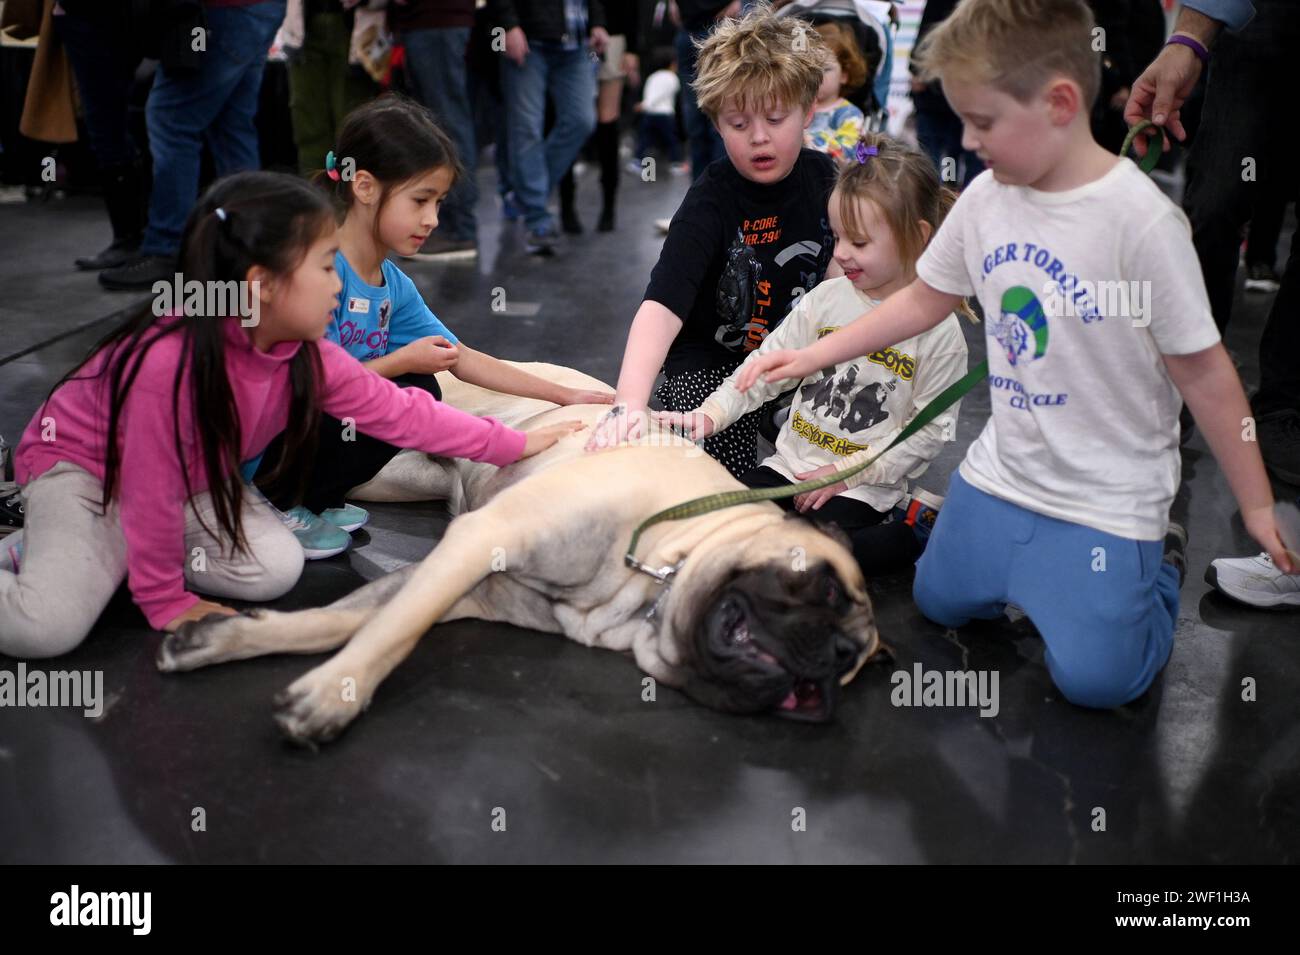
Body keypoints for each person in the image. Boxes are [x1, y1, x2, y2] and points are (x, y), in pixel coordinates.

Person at [738, 0, 1294, 708]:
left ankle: (1158, 563)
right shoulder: (986, 200)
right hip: (1005, 470)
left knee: (1095, 685)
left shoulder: (1144, 223)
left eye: (984, 122)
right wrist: (815, 355)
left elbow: (1207, 373)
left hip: (1106, 496)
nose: (968, 143)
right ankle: (1030, 565)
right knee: (937, 602)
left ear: (1060, 103)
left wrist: (1254, 504)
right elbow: (921, 300)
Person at [0, 171, 581, 657]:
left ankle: (88, 552)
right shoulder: (169, 362)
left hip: (191, 485)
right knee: (46, 630)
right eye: (327, 266)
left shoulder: (302, 353)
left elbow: (403, 413)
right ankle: (57, 545)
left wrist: (513, 443)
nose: (338, 282)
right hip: (88, 473)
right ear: (264, 285)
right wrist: (163, 599)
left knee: (272, 571)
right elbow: (151, 484)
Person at [254, 96, 613, 556]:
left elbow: (458, 356)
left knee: (421, 384)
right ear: (364, 186)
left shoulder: (392, 284)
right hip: (277, 431)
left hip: (326, 415)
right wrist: (401, 360)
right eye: (420, 200)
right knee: (407, 383)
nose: (432, 220)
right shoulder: (318, 273)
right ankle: (276, 498)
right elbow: (308, 385)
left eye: (439, 203)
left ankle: (318, 498)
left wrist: (561, 395)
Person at [655, 133, 970, 577]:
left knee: (809, 561)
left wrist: (845, 473)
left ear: (916, 236)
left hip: (860, 487)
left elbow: (928, 433)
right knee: (724, 527)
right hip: (788, 467)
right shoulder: (827, 298)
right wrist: (711, 414)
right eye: (837, 236)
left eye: (858, 243)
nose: (840, 253)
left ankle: (909, 531)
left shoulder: (940, 334)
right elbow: (770, 365)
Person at [585, 4, 838, 479]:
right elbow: (661, 307)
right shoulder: (709, 201)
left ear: (807, 112)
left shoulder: (830, 180)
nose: (758, 138)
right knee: (719, 472)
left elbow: (847, 279)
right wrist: (628, 404)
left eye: (776, 119)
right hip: (714, 365)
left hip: (797, 361)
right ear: (716, 123)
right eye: (739, 125)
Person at [98, 0, 290, 291]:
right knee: (231, 126)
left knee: (172, 120)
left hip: (221, 11)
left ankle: (168, 247)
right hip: (257, 9)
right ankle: (248, 242)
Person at [489, 0, 609, 254]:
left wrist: (597, 22)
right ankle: (537, 220)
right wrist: (509, 25)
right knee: (527, 129)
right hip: (530, 37)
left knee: (582, 120)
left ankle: (524, 196)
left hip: (576, 40)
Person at [803, 21, 866, 162]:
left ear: (844, 74)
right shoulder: (796, 108)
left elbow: (847, 153)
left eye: (826, 70)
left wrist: (806, 142)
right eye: (810, 69)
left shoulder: (850, 114)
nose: (816, 76)